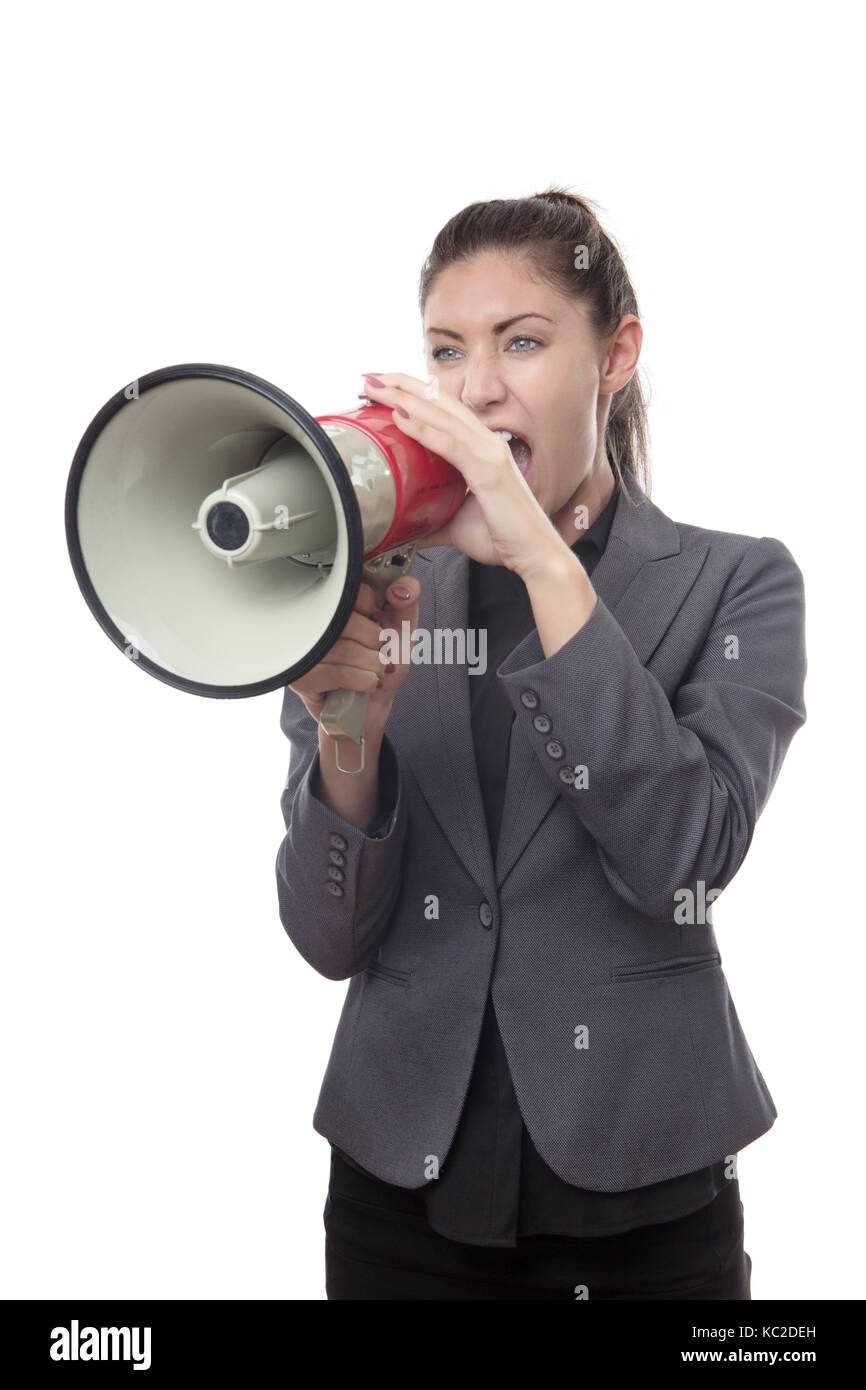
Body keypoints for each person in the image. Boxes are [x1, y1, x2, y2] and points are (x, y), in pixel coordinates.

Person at [275, 188, 807, 1300]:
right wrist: (347, 743)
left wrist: (543, 563)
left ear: (613, 356)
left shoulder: (735, 580)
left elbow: (682, 859)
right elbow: (330, 938)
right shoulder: (373, 582)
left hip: (643, 1205)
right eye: (444, 349)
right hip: (393, 1200)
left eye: (521, 341)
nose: (475, 387)